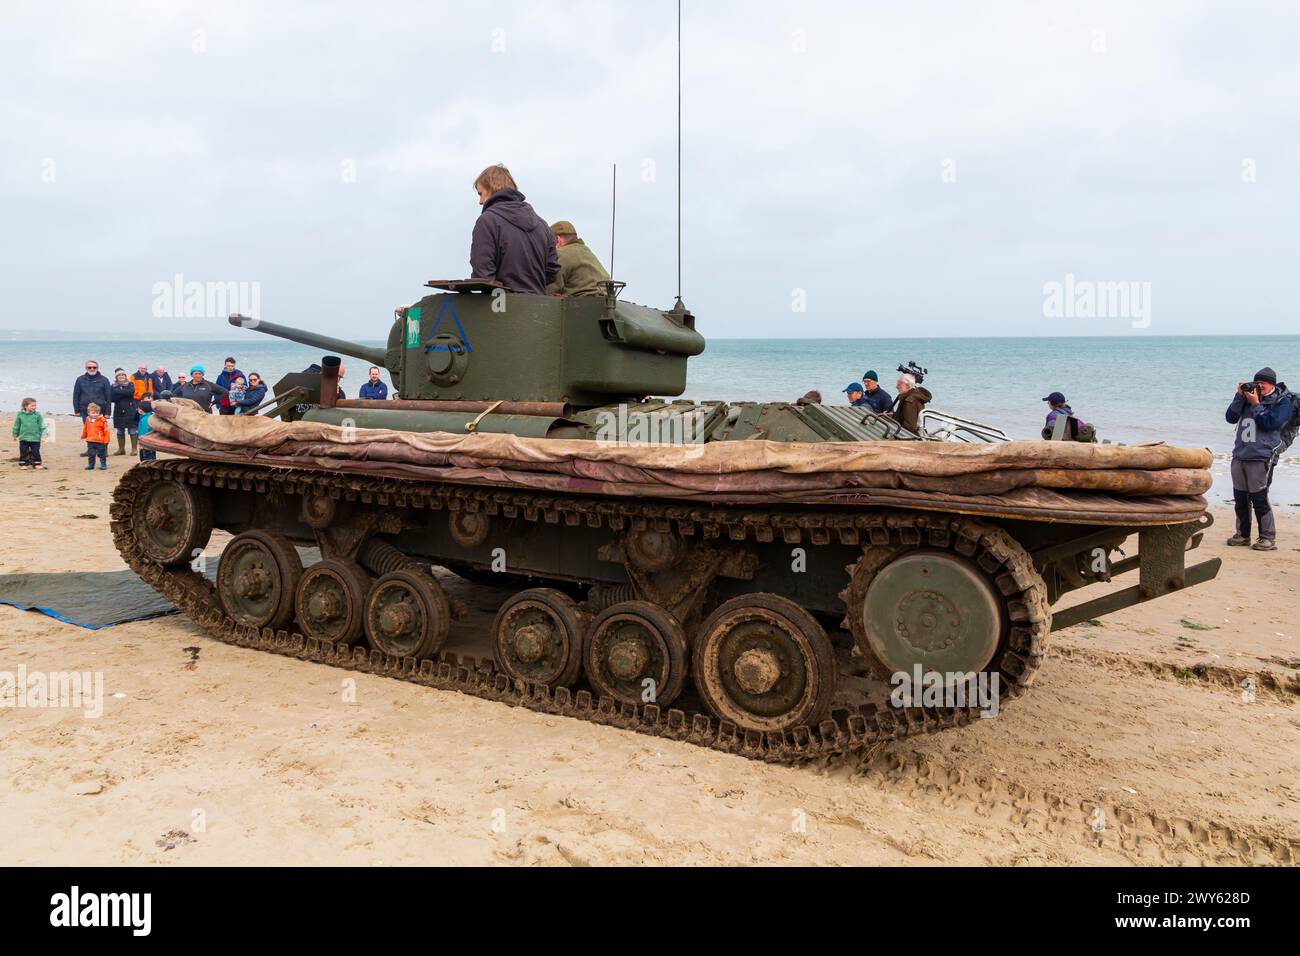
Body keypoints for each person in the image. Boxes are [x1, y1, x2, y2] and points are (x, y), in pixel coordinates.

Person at [1225, 367, 1293, 551]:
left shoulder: (1282, 401)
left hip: (1262, 456)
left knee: (1259, 499)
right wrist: (1240, 396)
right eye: (1257, 383)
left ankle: (1267, 538)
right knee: (1240, 498)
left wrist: (1255, 404)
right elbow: (1230, 418)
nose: (1259, 386)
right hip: (1240, 454)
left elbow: (1270, 423)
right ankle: (1243, 535)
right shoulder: (1247, 398)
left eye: (1262, 383)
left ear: (1272, 383)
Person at [469, 164, 559, 294]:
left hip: (500, 308)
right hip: (538, 307)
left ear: (491, 188)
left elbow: (482, 273)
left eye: (480, 193)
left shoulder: (487, 221)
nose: (480, 201)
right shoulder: (543, 225)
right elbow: (552, 270)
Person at [546, 220, 611, 297]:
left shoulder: (560, 253)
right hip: (605, 300)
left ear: (557, 240)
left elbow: (549, 290)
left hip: (581, 303)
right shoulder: (585, 251)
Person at [12, 397, 49, 470]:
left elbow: (42, 426)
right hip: (24, 437)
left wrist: (44, 436)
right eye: (32, 405)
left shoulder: (37, 415)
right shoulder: (20, 415)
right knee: (23, 451)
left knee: (35, 451)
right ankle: (24, 464)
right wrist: (15, 435)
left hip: (35, 437)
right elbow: (17, 425)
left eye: (35, 405)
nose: (34, 407)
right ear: (25, 406)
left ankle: (36, 463)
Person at [109, 368, 139, 455]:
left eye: (123, 375)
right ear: (116, 377)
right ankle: (121, 449)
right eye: (119, 375)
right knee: (120, 430)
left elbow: (130, 393)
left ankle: (134, 449)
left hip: (131, 409)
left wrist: (118, 391)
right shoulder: (113, 386)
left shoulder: (130, 384)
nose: (121, 376)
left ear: (125, 376)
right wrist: (123, 393)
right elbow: (112, 398)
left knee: (132, 430)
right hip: (118, 410)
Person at [82, 403, 110, 470]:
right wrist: (84, 435)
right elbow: (85, 428)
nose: (95, 414)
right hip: (90, 440)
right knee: (91, 454)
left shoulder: (103, 420)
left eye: (97, 412)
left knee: (101, 454)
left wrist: (106, 440)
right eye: (93, 412)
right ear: (88, 413)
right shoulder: (87, 420)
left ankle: (103, 464)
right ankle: (91, 465)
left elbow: (106, 431)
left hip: (100, 441)